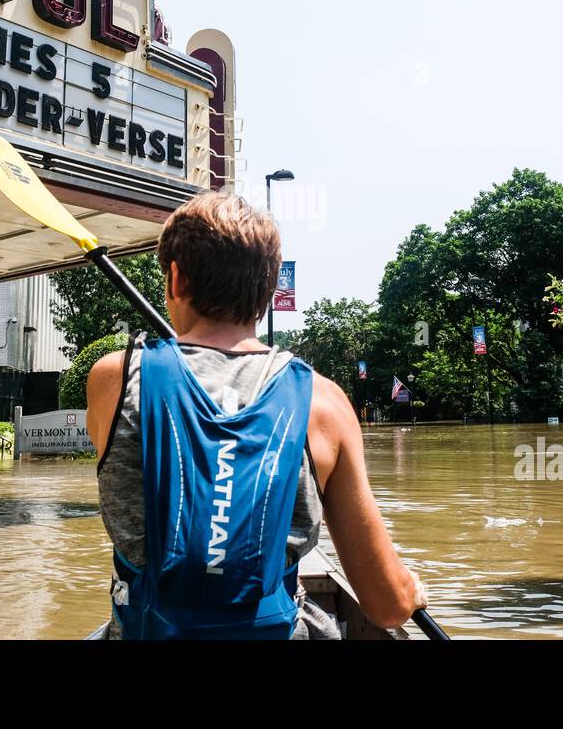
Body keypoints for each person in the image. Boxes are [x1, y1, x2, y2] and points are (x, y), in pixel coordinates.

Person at [86, 191, 426, 639]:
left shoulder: (116, 377)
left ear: (174, 280)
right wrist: (409, 592)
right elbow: (386, 606)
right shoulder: (324, 403)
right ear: (268, 292)